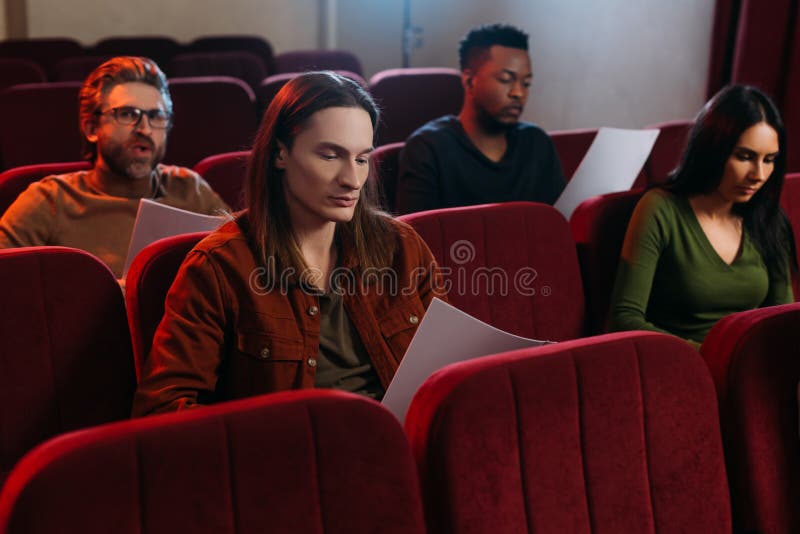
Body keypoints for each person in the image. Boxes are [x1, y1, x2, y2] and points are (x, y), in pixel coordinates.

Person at [132, 72, 446, 416]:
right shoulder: (219, 266)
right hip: (290, 458)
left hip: (397, 449)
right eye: (330, 156)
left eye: (361, 159)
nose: (352, 180)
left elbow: (445, 377)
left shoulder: (402, 246)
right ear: (280, 154)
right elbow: (161, 408)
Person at [0, 56, 229, 278]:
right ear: (91, 128)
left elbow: (243, 266)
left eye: (156, 116)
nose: (145, 129)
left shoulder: (191, 189)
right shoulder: (48, 200)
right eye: (128, 114)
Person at [609, 85, 796, 348]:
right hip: (680, 367)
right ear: (713, 150)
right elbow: (624, 319)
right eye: (745, 157)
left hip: (748, 373)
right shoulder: (660, 209)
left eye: (769, 160)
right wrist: (718, 358)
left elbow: (782, 321)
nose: (759, 175)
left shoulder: (769, 218)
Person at [395, 23, 566, 215]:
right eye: (505, 79)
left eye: (526, 83)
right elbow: (416, 239)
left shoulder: (537, 143)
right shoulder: (427, 148)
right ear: (469, 80)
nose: (519, 93)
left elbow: (559, 226)